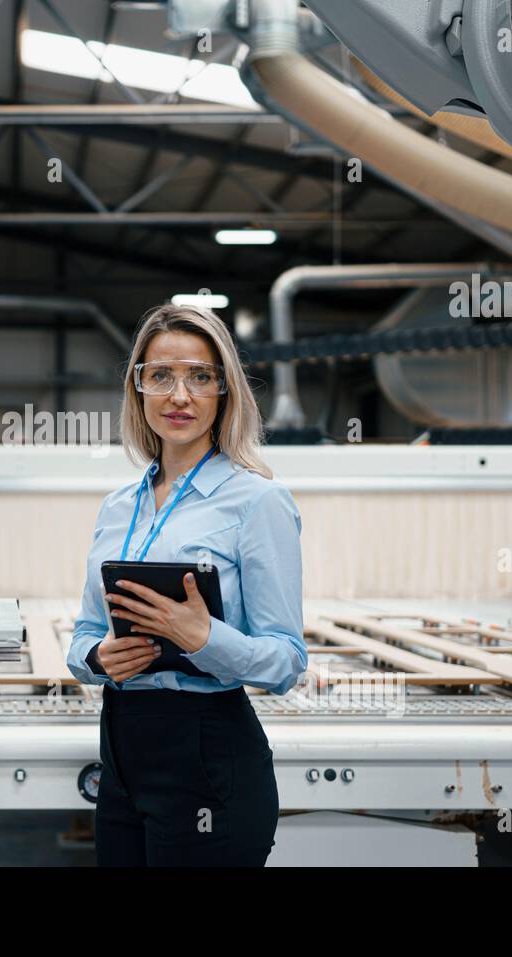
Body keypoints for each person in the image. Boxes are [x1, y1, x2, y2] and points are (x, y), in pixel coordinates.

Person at [66, 302, 307, 867]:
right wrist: (100, 658)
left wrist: (203, 638)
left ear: (224, 392)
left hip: (207, 756)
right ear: (138, 388)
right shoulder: (117, 506)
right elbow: (83, 636)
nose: (180, 395)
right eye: (162, 376)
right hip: (121, 751)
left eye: (200, 376)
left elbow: (286, 662)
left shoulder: (258, 502)